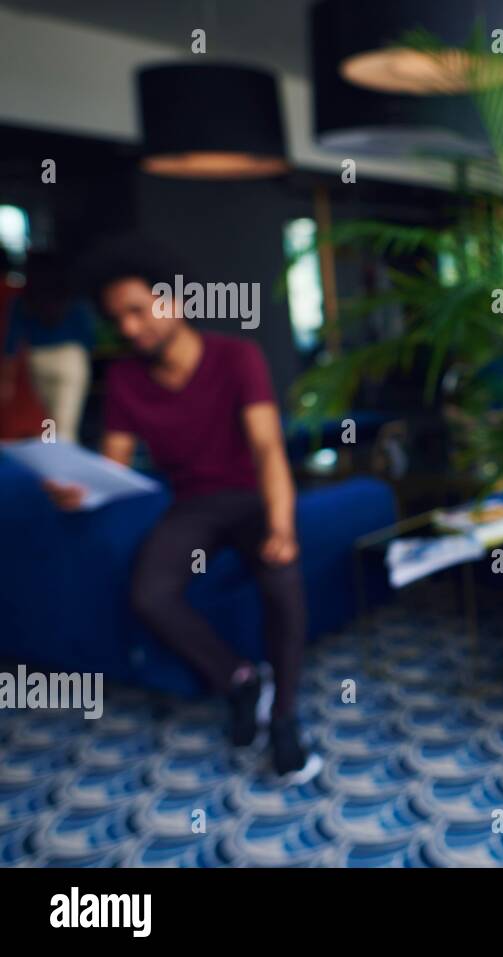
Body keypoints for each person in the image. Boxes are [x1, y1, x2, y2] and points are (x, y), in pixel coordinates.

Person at [43, 249, 321, 784]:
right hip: (192, 505)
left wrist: (282, 525)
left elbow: (267, 448)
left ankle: (284, 718)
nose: (128, 327)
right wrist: (80, 490)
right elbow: (114, 463)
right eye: (118, 318)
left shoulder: (237, 357)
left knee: (281, 579)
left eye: (137, 311)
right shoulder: (125, 378)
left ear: (173, 302)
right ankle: (240, 680)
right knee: (149, 593)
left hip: (251, 498)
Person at [0, 251, 96, 444]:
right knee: (66, 425)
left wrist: (6, 378)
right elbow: (88, 333)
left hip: (38, 359)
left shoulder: (25, 298)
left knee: (50, 421)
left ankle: (56, 467)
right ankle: (63, 470)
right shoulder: (72, 296)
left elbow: (12, 340)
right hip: (70, 357)